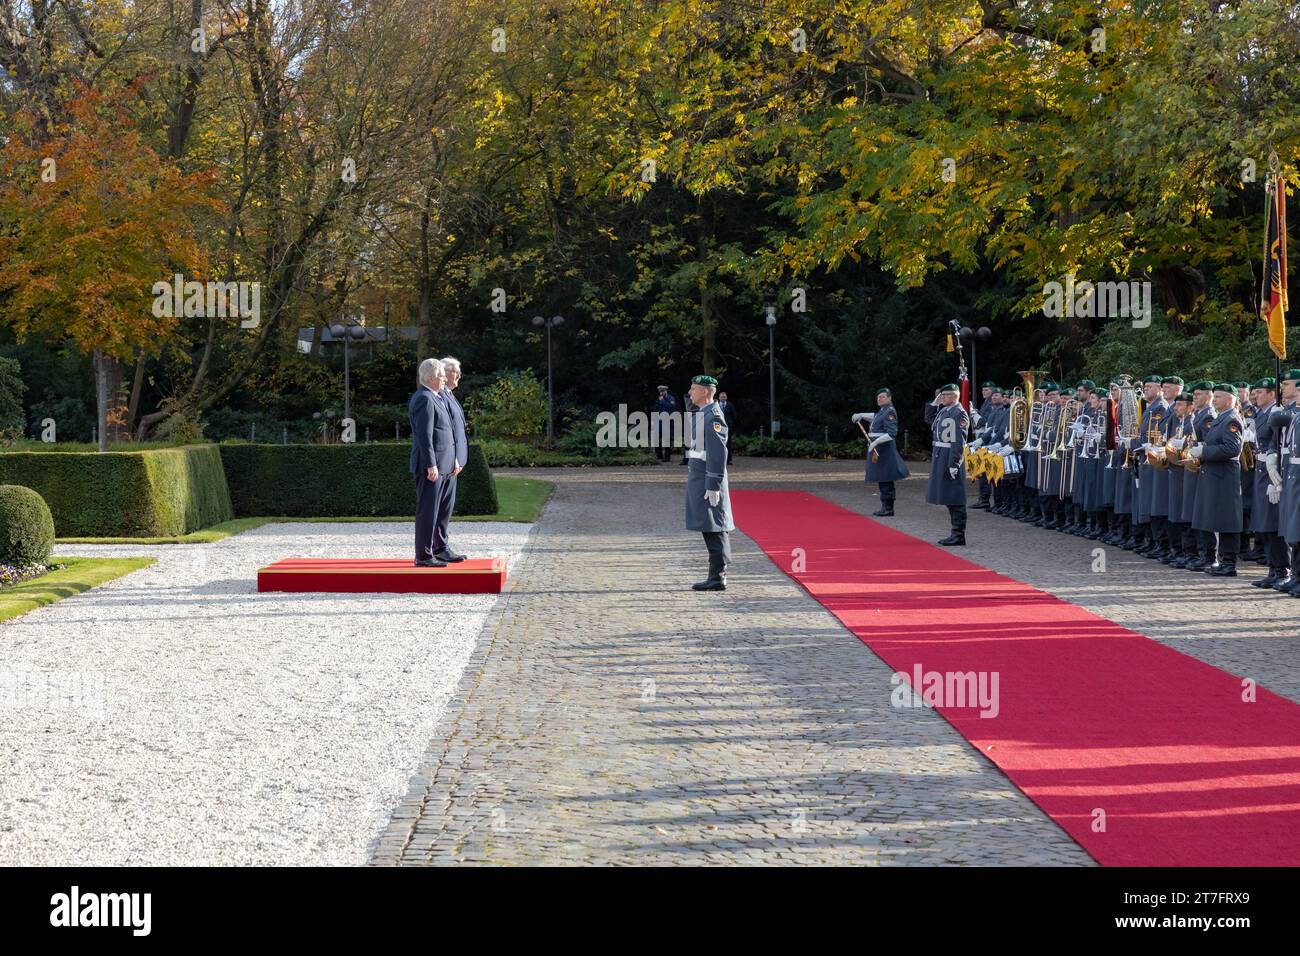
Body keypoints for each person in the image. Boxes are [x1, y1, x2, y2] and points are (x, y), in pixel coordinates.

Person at [1188, 383, 1244, 575]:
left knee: (1226, 519)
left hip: (1224, 475)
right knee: (1210, 516)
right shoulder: (1222, 418)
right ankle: (1211, 558)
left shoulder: (1231, 420)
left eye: (1218, 397)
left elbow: (1232, 449)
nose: (1214, 400)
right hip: (1213, 474)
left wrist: (1204, 450)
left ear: (1229, 399)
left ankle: (1228, 563)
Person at [684, 375, 733, 590]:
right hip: (700, 476)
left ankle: (717, 576)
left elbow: (718, 453)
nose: (690, 392)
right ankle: (716, 575)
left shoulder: (712, 416)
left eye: (693, 389)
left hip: (708, 479)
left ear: (705, 391)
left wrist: (713, 485)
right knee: (709, 526)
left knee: (715, 527)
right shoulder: (703, 412)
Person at [408, 358, 456, 567]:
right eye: (442, 375)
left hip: (442, 464)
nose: (445, 378)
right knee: (428, 511)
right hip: (432, 466)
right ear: (432, 377)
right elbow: (424, 436)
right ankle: (424, 555)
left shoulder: (434, 396)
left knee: (438, 510)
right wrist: (431, 465)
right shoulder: (425, 398)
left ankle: (436, 549)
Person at [852, 386, 909, 516]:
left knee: (886, 477)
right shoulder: (883, 410)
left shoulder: (889, 412)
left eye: (882, 396)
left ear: (889, 398)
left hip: (884, 449)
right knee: (882, 477)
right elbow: (875, 417)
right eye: (878, 397)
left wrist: (875, 443)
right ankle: (885, 506)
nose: (879, 399)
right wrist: (861, 415)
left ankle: (888, 508)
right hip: (879, 448)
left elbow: (891, 434)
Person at [434, 356, 469, 562]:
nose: (459, 375)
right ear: (445, 373)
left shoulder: (449, 395)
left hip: (452, 461)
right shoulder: (441, 396)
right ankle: (439, 547)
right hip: (446, 460)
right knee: (440, 507)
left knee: (446, 507)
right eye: (455, 371)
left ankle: (440, 545)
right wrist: (455, 458)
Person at [926, 383, 969, 546]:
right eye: (941, 395)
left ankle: (958, 534)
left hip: (949, 456)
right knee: (948, 496)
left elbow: (959, 441)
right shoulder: (944, 410)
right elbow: (929, 419)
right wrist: (934, 403)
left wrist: (954, 463)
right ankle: (955, 533)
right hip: (940, 456)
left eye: (945, 395)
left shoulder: (959, 413)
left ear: (955, 396)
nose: (942, 397)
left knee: (955, 496)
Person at [653, 385, 676, 462]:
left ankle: (667, 456)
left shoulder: (670, 398)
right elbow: (655, 408)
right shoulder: (659, 399)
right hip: (659, 421)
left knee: (667, 439)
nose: (661, 393)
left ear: (666, 391)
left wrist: (662, 401)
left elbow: (671, 407)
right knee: (656, 438)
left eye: (663, 391)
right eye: (660, 391)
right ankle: (659, 455)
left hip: (668, 421)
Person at [718, 391, 737, 464]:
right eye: (722, 397)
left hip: (727, 427)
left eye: (724, 397)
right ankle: (719, 459)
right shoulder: (716, 405)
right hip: (718, 426)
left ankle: (728, 460)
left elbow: (734, 415)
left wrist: (731, 424)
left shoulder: (730, 405)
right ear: (719, 398)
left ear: (726, 397)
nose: (723, 398)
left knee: (728, 443)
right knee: (718, 443)